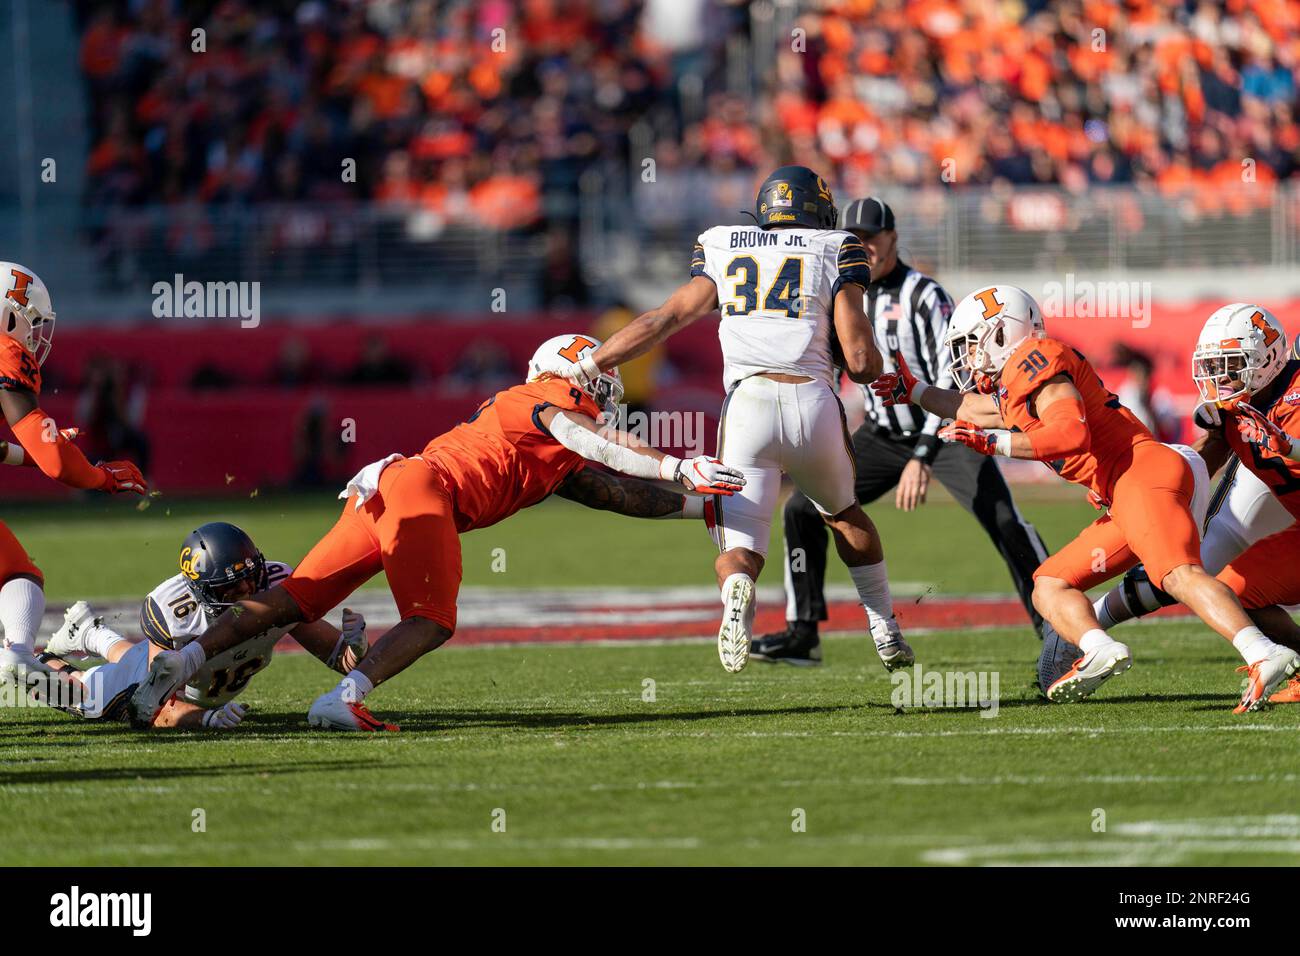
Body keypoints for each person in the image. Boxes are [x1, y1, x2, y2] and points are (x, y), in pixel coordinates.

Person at [129, 334, 742, 731]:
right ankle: (343, 699)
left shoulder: (549, 447)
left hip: (392, 487)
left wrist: (700, 510)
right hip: (427, 492)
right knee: (433, 619)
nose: (605, 390)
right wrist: (676, 463)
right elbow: (592, 439)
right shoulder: (533, 402)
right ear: (567, 376)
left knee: (294, 600)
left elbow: (614, 493)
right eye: (597, 378)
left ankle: (184, 659)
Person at [873, 285, 1298, 712]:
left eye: (970, 345)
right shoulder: (1021, 381)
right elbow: (974, 409)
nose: (967, 358)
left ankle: (1263, 653)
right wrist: (914, 391)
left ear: (1001, 334)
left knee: (1178, 575)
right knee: (1049, 583)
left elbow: (1069, 434)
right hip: (1127, 487)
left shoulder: (1033, 359)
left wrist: (995, 444)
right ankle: (1099, 648)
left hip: (1141, 474)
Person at [570, 165, 910, 675]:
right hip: (812, 400)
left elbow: (663, 318)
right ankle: (884, 626)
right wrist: (883, 369)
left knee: (741, 544)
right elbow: (861, 362)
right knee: (844, 515)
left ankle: (736, 590)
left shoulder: (724, 242)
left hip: (749, 406)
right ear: (817, 209)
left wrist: (590, 364)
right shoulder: (837, 247)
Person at [753, 197, 1058, 670]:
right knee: (802, 509)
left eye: (873, 239)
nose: (865, 249)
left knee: (1004, 520)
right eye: (856, 240)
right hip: (882, 433)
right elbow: (830, 369)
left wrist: (922, 454)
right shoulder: (840, 292)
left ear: (893, 239)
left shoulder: (923, 294)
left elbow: (946, 374)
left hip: (950, 427)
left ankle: (1057, 625)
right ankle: (803, 631)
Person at [1093, 307, 1300, 703]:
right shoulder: (1233, 412)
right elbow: (1194, 464)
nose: (1221, 378)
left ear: (1268, 358)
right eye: (1214, 366)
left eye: (1234, 365)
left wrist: (1287, 444)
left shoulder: (1295, 396)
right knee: (1228, 591)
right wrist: (1138, 491)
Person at [34, 522, 369, 729]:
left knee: (141, 659)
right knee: (95, 702)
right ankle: (34, 664)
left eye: (249, 578)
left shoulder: (277, 584)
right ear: (201, 590)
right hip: (168, 683)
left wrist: (355, 646)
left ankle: (89, 631)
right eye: (231, 587)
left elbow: (341, 660)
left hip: (202, 680)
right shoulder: (170, 610)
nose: (247, 592)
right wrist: (203, 719)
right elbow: (150, 708)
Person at [0, 262, 146, 689]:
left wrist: (35, 450)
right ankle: (18, 654)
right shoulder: (6, 353)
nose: (33, 335)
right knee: (16, 576)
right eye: (30, 322)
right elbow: (58, 465)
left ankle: (18, 656)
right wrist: (102, 477)